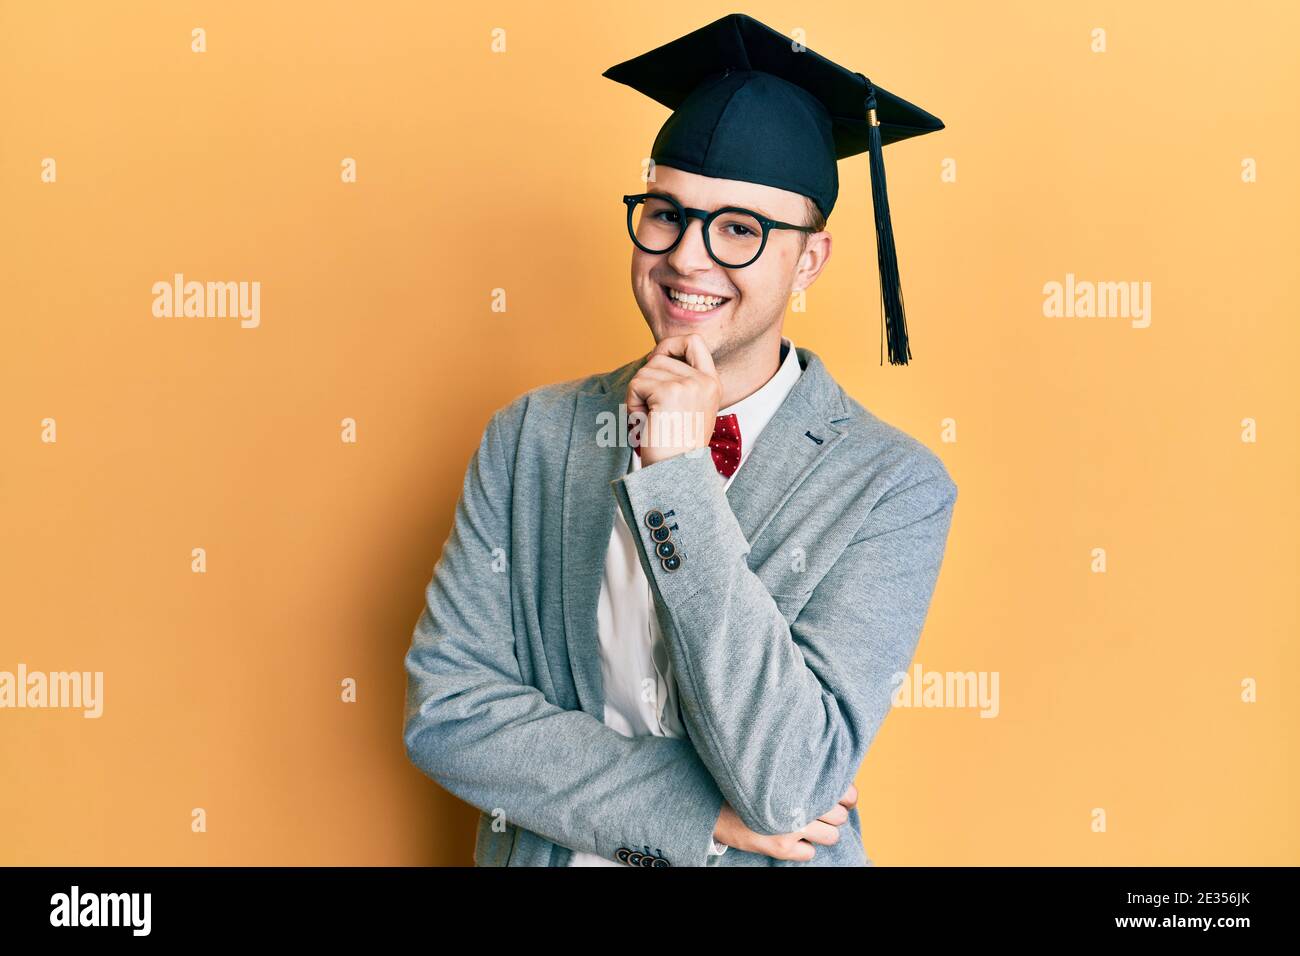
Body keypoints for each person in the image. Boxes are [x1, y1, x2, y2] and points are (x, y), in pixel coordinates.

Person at [402, 13, 956, 867]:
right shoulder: (531, 438)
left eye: (741, 229)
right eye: (666, 214)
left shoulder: (891, 485)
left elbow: (789, 784)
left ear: (809, 262)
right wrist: (700, 813)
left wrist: (678, 481)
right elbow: (449, 713)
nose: (687, 259)